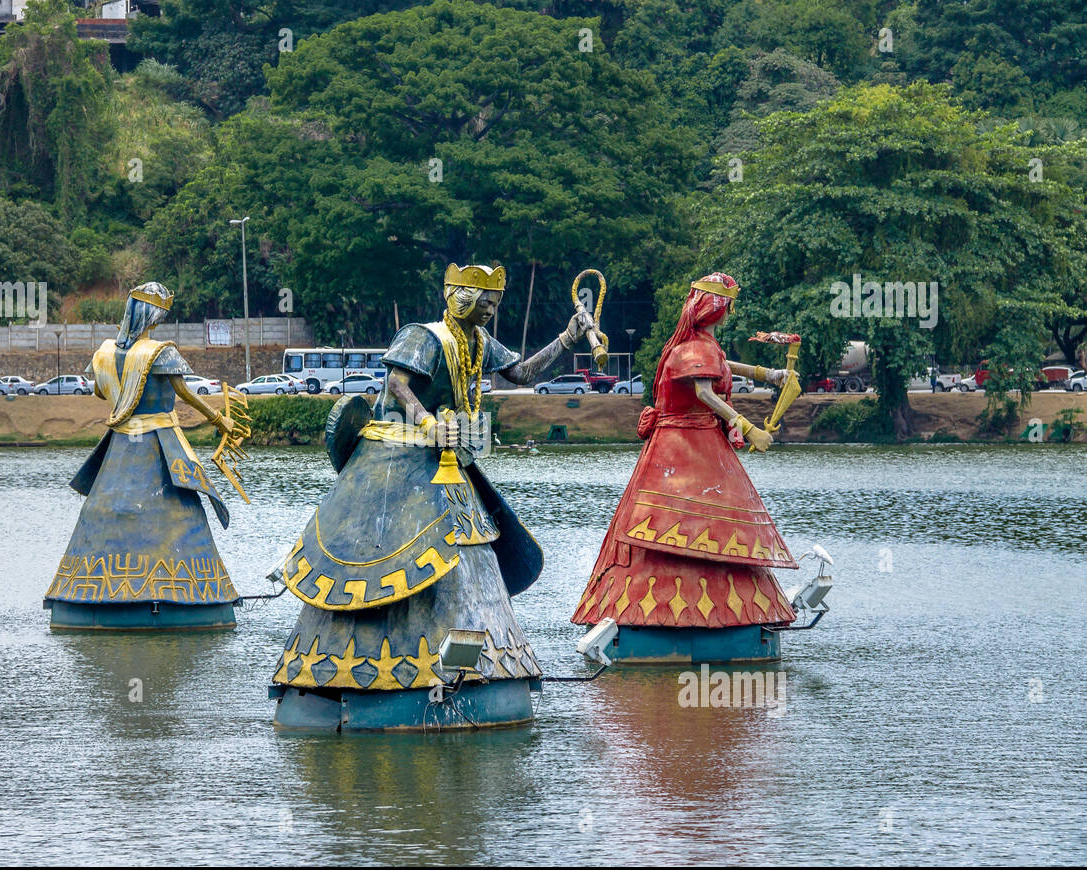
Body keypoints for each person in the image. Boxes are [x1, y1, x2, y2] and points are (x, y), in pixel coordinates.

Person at [271, 263, 596, 729]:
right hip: (396, 460)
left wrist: (567, 339)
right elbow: (396, 384)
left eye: (495, 305)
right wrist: (427, 421)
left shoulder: (479, 342)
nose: (490, 311)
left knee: (464, 557)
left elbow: (521, 373)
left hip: (449, 462)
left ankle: (470, 667)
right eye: (484, 303)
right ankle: (375, 677)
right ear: (460, 297)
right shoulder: (423, 335)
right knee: (386, 557)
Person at [573, 274, 799, 653]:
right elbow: (704, 391)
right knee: (677, 527)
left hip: (688, 446)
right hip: (684, 448)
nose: (728, 314)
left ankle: (713, 621)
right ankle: (672, 626)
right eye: (727, 307)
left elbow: (724, 365)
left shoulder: (699, 345)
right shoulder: (692, 348)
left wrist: (770, 375)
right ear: (717, 309)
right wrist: (746, 426)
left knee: (698, 527)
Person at [44, 282, 251, 631]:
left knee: (105, 511)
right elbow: (184, 392)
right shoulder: (161, 353)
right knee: (178, 512)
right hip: (158, 442)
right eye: (161, 315)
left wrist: (124, 390)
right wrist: (219, 418)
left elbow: (98, 391)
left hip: (119, 449)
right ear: (152, 317)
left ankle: (85, 597)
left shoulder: (105, 352)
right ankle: (187, 599)